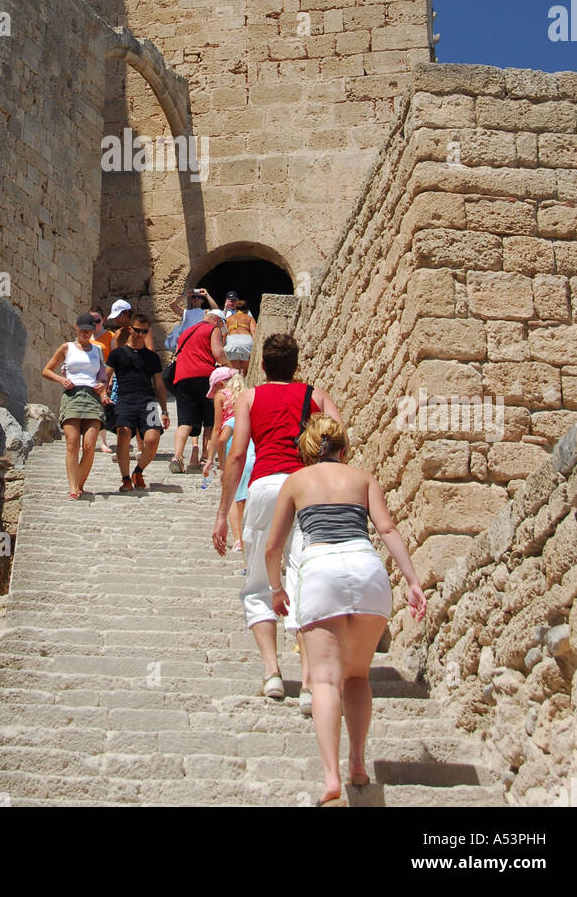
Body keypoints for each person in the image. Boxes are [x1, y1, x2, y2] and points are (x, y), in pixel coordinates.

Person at [265, 413, 426, 806]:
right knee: (357, 676)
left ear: (307, 449)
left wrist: (276, 589)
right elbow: (387, 529)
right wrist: (413, 581)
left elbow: (273, 547)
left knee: (324, 680)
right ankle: (357, 763)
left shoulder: (296, 481)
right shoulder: (363, 478)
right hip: (367, 571)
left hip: (321, 571)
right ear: (343, 447)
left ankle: (331, 779)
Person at [212, 332, 343, 703]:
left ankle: (272, 672)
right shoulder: (315, 395)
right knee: (304, 578)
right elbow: (339, 439)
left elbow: (237, 455)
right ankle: (308, 680)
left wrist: (222, 514)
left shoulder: (250, 398)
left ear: (263, 366)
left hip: (265, 487)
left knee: (258, 581)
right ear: (296, 365)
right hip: (306, 488)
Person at [42, 314, 110, 500]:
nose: (86, 333)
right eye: (83, 330)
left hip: (92, 397)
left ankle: (80, 484)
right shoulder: (67, 348)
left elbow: (103, 378)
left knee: (89, 445)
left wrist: (103, 388)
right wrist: (61, 380)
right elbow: (46, 370)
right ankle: (73, 488)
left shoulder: (98, 350)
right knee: (72, 444)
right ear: (76, 329)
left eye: (89, 330)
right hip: (72, 396)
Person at [104, 313, 170, 492]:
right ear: (130, 329)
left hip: (147, 401)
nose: (140, 334)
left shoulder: (152, 358)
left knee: (152, 438)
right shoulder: (117, 354)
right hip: (125, 399)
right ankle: (125, 478)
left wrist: (165, 411)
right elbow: (105, 376)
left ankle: (138, 471)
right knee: (123, 433)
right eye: (137, 330)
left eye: (144, 331)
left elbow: (159, 385)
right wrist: (102, 393)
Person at [169, 309, 226, 474]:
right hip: (204, 377)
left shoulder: (186, 332)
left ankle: (177, 456)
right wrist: (229, 365)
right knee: (209, 422)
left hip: (182, 378)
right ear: (217, 320)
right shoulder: (213, 329)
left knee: (185, 422)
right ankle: (204, 458)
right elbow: (218, 353)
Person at [203, 369, 250, 553]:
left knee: (230, 493)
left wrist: (211, 459)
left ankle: (238, 538)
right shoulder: (248, 394)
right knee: (246, 491)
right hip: (249, 442)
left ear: (220, 384)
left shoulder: (221, 396)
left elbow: (217, 429)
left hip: (231, 442)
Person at [90, 307, 114, 453]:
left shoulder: (110, 336)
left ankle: (103, 442)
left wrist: (111, 379)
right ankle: (85, 441)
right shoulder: (85, 336)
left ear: (103, 320)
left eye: (97, 321)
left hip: (103, 378)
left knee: (102, 409)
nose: (94, 324)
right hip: (87, 377)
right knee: (86, 409)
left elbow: (114, 359)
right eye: (91, 320)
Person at [224, 298, 256, 376]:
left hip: (232, 342)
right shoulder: (249, 318)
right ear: (247, 310)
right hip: (247, 342)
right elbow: (254, 333)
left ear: (236, 309)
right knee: (245, 374)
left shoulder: (228, 319)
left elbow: (224, 335)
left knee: (234, 374)